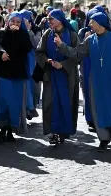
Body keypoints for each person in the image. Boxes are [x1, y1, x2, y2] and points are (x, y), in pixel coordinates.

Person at [55, 12, 111, 151]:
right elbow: (76, 53)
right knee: (97, 108)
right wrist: (62, 45)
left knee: (109, 108)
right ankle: (103, 138)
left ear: (100, 23)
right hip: (95, 81)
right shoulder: (90, 40)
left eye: (92, 22)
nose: (89, 24)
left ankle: (110, 135)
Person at [35, 9, 81, 145]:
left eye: (51, 19)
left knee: (66, 103)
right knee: (50, 103)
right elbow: (39, 52)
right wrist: (48, 61)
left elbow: (78, 54)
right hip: (51, 75)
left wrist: (63, 64)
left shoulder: (72, 35)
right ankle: (53, 132)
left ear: (59, 20)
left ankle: (64, 131)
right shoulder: (47, 34)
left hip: (68, 76)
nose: (48, 22)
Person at [0, 12, 33, 143]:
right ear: (7, 21)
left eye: (18, 22)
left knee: (15, 103)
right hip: (3, 73)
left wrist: (19, 33)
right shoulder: (0, 34)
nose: (15, 24)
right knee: (3, 101)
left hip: (18, 74)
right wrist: (1, 54)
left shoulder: (24, 35)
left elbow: (27, 48)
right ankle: (3, 127)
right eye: (13, 21)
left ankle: (11, 129)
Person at [77, 8, 102, 132]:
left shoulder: (108, 33)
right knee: (88, 92)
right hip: (86, 67)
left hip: (101, 67)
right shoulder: (83, 32)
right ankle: (90, 119)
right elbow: (78, 49)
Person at [19, 10, 41, 119]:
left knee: (34, 87)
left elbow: (37, 44)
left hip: (33, 62)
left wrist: (29, 31)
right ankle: (26, 109)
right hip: (22, 61)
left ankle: (32, 106)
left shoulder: (36, 30)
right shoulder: (17, 30)